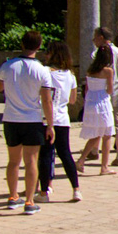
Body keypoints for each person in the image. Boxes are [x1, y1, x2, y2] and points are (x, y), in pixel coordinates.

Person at [0, 30, 56, 216]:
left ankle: (13, 196)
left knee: (13, 161)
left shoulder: (7, 66)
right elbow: (46, 100)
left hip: (11, 118)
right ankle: (29, 201)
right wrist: (51, 125)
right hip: (32, 119)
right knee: (31, 161)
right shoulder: (42, 70)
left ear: (22, 44)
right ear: (39, 47)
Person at [37, 41, 81, 203]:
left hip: (46, 119)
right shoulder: (70, 75)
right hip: (63, 119)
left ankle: (44, 192)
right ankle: (76, 189)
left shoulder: (46, 73)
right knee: (65, 154)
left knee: (46, 156)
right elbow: (72, 99)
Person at [94, 28, 118, 166]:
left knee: (101, 123)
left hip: (103, 92)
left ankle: (94, 150)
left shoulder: (98, 53)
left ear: (101, 37)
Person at [79, 45, 117, 175]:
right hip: (102, 103)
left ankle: (81, 159)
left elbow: (87, 88)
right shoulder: (108, 71)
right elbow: (110, 89)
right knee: (107, 134)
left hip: (91, 102)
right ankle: (104, 166)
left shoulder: (90, 70)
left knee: (97, 134)